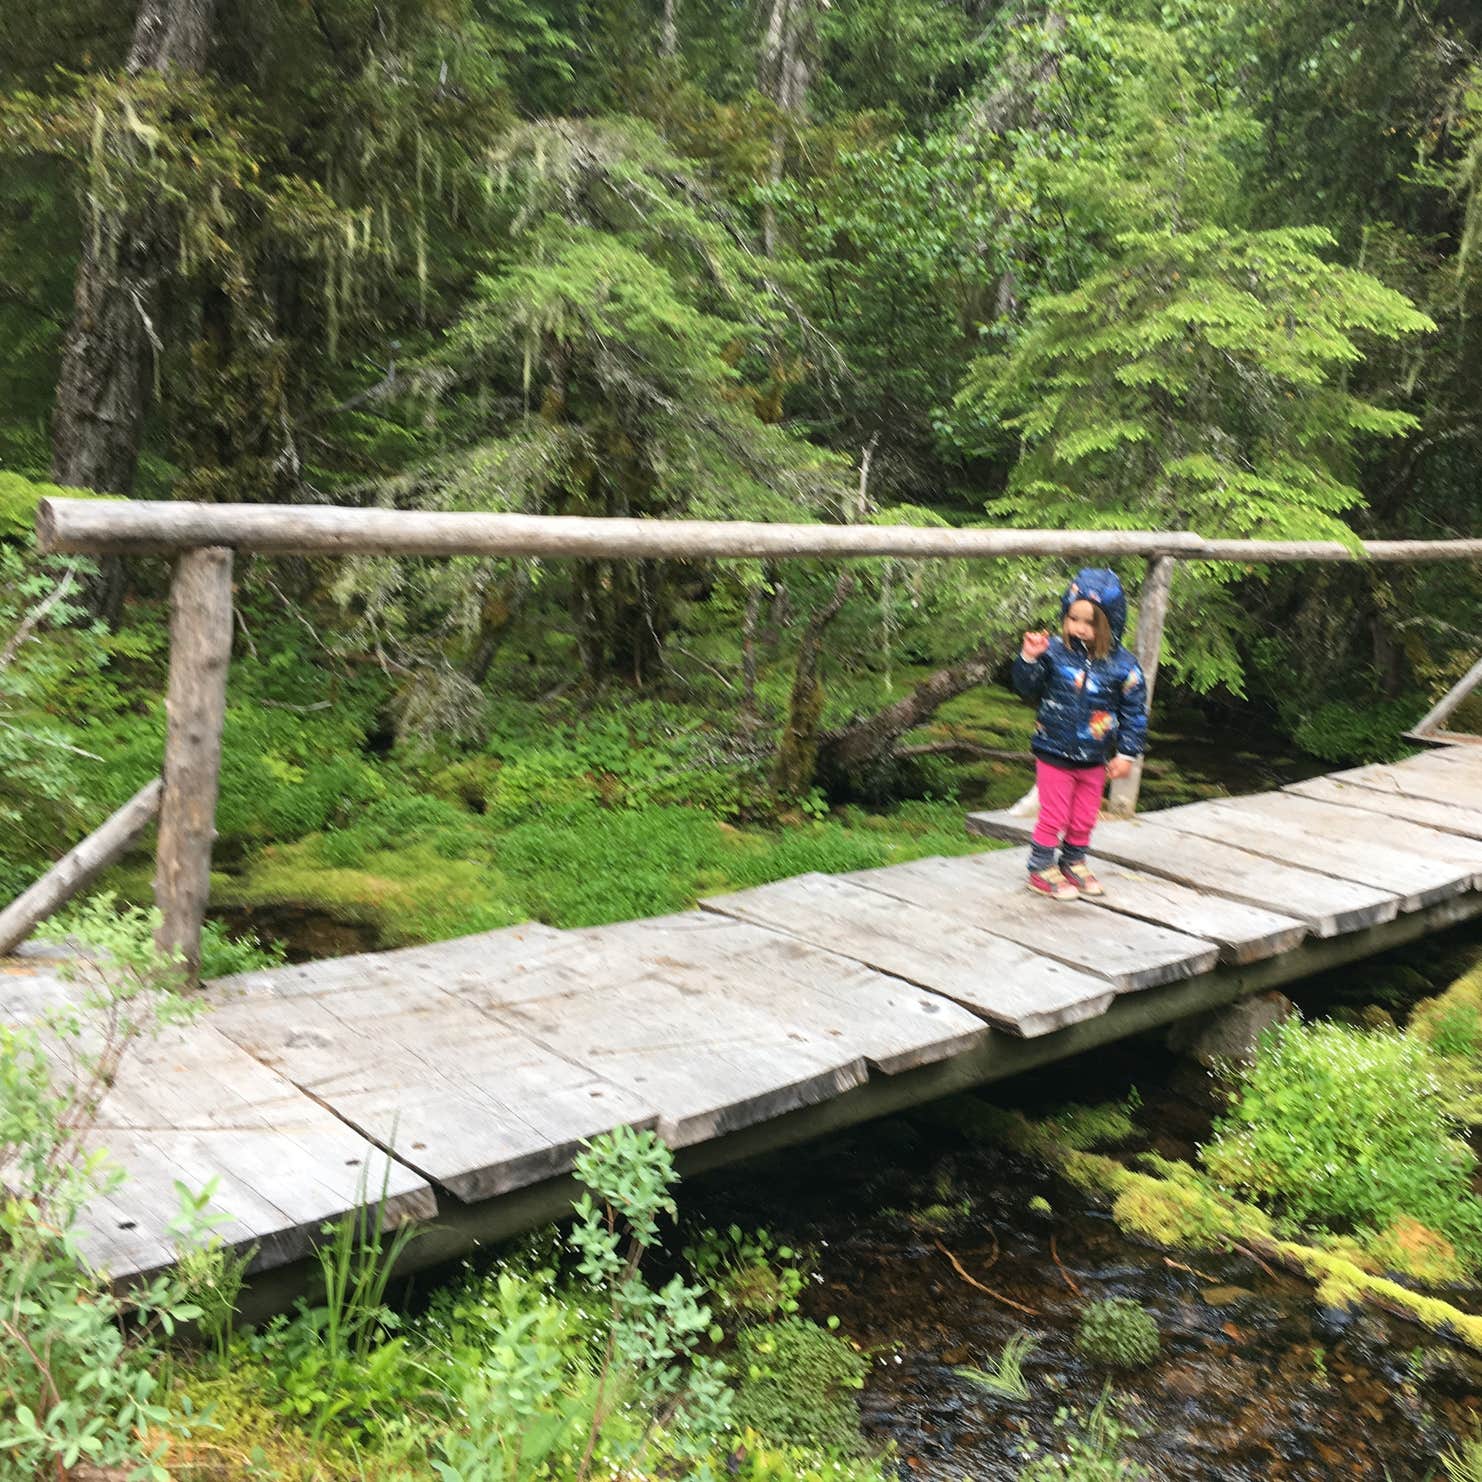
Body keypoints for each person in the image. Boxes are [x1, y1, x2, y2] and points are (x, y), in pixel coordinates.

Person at [1011, 567, 1148, 900]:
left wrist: (1126, 753)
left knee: (1084, 816)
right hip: (1054, 749)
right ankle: (1040, 867)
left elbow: (1134, 713)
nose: (1080, 628)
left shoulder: (1124, 666)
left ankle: (1073, 861)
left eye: (1090, 623)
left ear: (1111, 624)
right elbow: (1026, 688)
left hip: (1095, 755)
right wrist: (1029, 658)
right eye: (1073, 618)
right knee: (1054, 814)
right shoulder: (1054, 653)